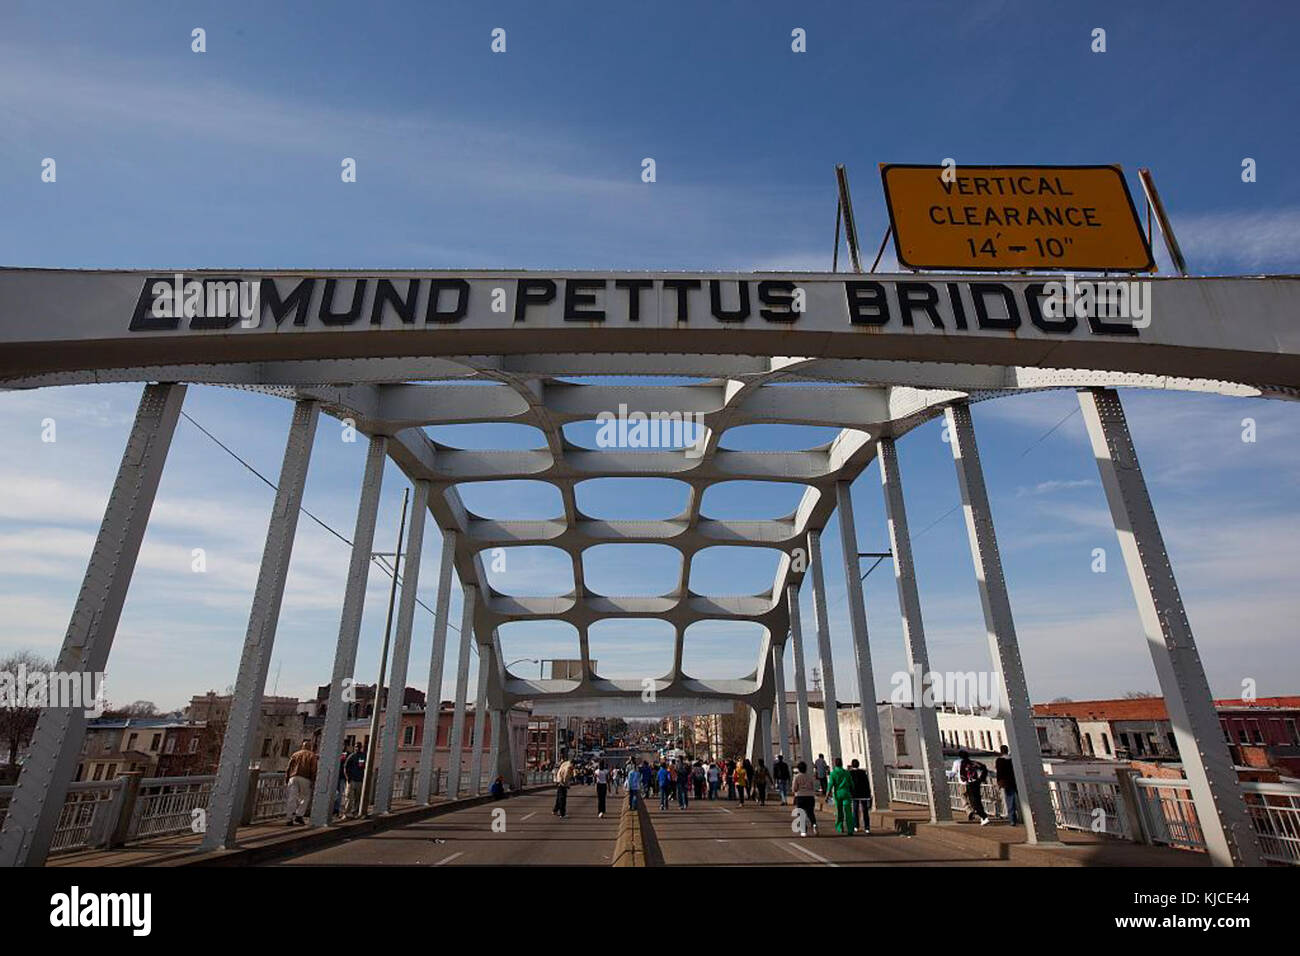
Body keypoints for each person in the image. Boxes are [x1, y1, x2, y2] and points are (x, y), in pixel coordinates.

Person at [284, 739, 317, 826]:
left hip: (293, 777)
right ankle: (299, 815)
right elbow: (313, 769)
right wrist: (313, 780)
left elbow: (288, 767)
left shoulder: (295, 754)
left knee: (292, 797)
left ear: (302, 746)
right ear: (309, 747)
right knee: (305, 797)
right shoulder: (312, 755)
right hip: (305, 778)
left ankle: (289, 818)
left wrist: (287, 778)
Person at [958, 750, 990, 825]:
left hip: (970, 783)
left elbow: (962, 774)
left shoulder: (963, 763)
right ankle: (983, 818)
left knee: (973, 802)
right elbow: (984, 767)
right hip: (976, 783)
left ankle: (984, 817)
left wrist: (965, 779)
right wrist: (981, 778)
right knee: (978, 800)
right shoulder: (973, 762)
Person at [827, 757, 853, 834]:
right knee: (848, 812)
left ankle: (839, 827)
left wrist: (827, 795)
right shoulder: (846, 772)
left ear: (835, 764)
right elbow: (851, 783)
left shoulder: (833, 773)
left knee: (839, 811)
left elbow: (830, 785)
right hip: (846, 792)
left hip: (837, 793)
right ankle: (850, 829)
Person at [791, 760, 818, 836]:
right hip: (810, 796)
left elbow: (794, 788)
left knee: (801, 814)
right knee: (810, 813)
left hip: (800, 796)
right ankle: (814, 824)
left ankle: (803, 831)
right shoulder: (810, 776)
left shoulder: (796, 777)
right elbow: (813, 787)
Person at [995, 744, 1019, 826]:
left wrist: (999, 782)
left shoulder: (999, 760)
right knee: (1018, 799)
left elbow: (999, 773)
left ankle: (1012, 819)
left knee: (1009, 800)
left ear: (1001, 751)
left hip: (1006, 782)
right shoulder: (1012, 760)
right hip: (1015, 781)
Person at [341, 742, 365, 819]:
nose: (357, 748)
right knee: (349, 797)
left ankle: (355, 812)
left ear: (361, 747)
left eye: (358, 747)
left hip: (359, 779)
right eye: (356, 747)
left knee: (357, 797)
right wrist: (347, 777)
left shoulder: (363, 756)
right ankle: (346, 813)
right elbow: (345, 767)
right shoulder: (351, 756)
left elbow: (364, 767)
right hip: (352, 780)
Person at [848, 758, 872, 834]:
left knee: (855, 810)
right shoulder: (863, 772)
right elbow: (867, 783)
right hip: (863, 794)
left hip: (854, 794)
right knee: (865, 811)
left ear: (852, 765)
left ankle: (856, 826)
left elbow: (849, 784)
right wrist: (869, 793)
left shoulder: (850, 773)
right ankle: (867, 827)